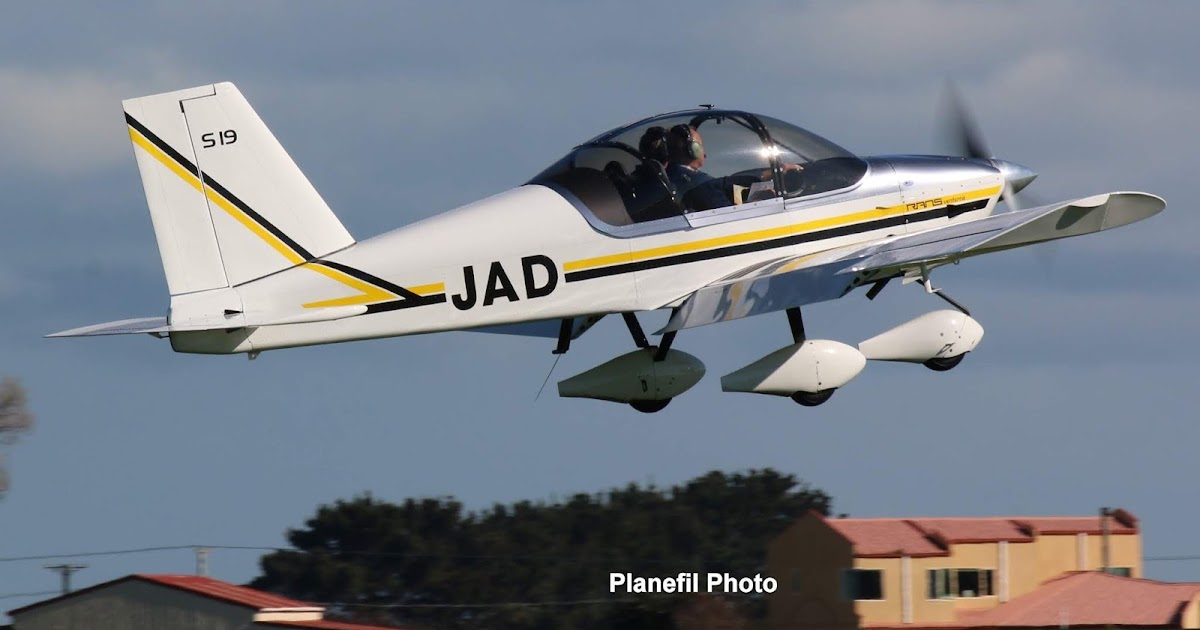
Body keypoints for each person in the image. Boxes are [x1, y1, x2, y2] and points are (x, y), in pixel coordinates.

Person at [665, 124, 731, 211]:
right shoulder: (700, 184)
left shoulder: (669, 175)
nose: (704, 153)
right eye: (701, 145)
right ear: (693, 149)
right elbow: (727, 213)